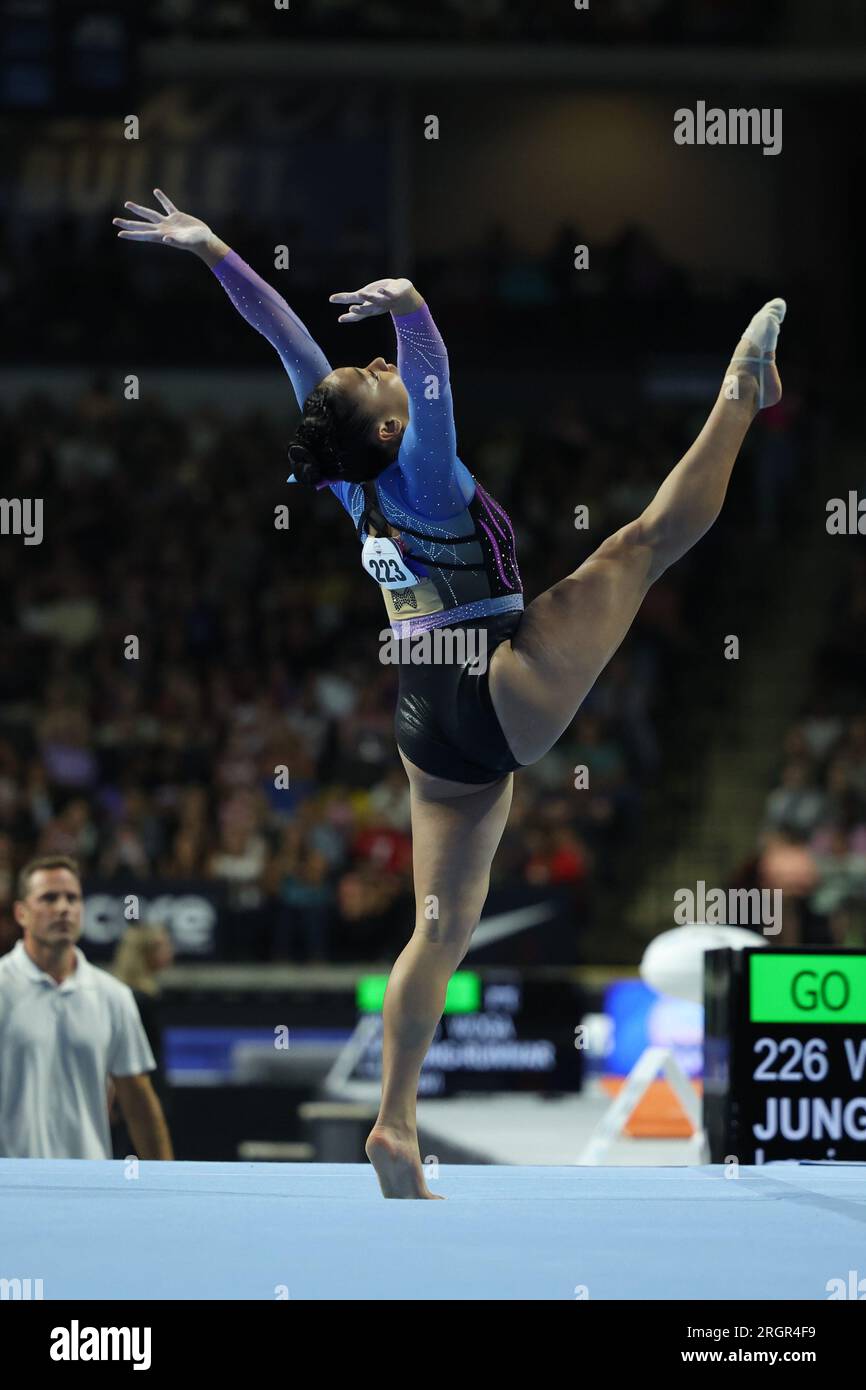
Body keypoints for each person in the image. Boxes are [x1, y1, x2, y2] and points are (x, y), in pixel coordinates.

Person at [114, 191, 785, 1197]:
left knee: (435, 930)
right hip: (491, 673)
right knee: (635, 548)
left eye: (373, 360)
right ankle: (741, 391)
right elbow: (426, 375)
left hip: (427, 717)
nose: (377, 368)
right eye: (370, 377)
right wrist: (413, 310)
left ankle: (393, 1121)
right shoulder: (416, 466)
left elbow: (287, 341)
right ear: (385, 427)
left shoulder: (353, 476)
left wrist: (215, 250)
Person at [0, 856, 173, 1159]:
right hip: (10, 1189)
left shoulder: (114, 996)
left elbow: (139, 1105)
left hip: (88, 1188)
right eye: (49, 898)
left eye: (72, 898)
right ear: (22, 913)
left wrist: (169, 1188)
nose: (63, 907)